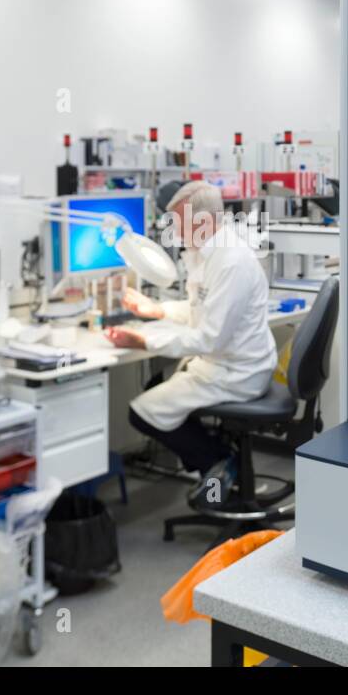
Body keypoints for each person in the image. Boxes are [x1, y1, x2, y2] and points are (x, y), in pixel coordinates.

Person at [104, 181, 276, 501]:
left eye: (180, 223)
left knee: (142, 411)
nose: (175, 232)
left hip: (236, 373)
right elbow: (201, 308)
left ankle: (218, 460)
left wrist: (144, 342)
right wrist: (157, 309)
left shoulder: (230, 262)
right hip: (225, 363)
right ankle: (215, 456)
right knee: (156, 382)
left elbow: (208, 338)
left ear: (205, 222)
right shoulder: (206, 253)